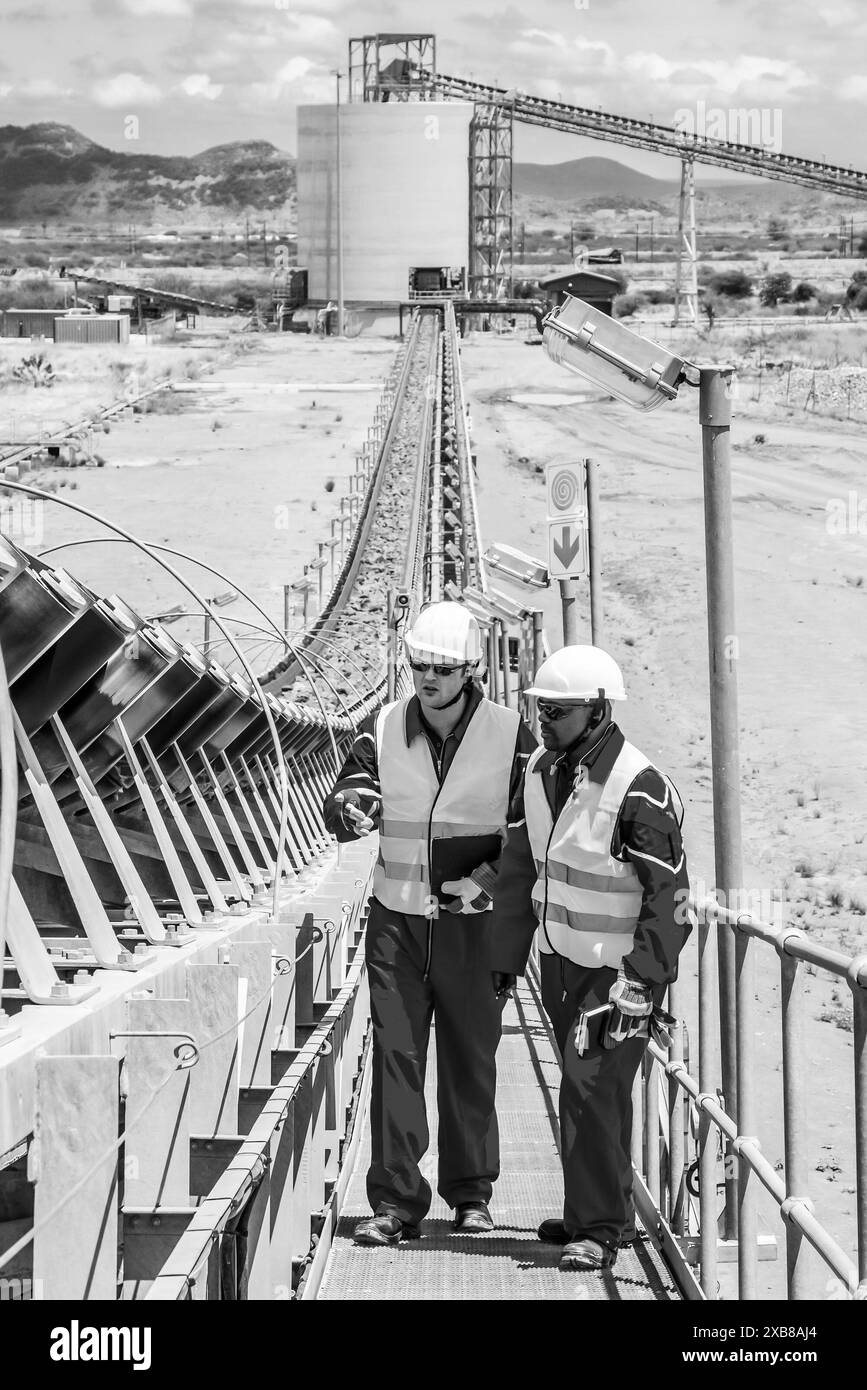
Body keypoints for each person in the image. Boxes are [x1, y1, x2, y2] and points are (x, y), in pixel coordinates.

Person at [323, 601, 536, 1246]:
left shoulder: (511, 735)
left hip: (473, 923)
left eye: (442, 668)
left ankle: (471, 1195)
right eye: (419, 665)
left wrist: (491, 880)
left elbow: (532, 830)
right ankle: (394, 1201)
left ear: (470, 669)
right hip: (398, 920)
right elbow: (347, 790)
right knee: (396, 1056)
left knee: (471, 1057)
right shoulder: (383, 725)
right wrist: (350, 810)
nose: (427, 678)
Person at [492, 645, 691, 1272]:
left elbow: (673, 899)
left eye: (558, 711)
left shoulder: (641, 789)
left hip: (617, 974)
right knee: (591, 1092)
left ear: (599, 711)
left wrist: (643, 982)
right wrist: (507, 955)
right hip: (560, 962)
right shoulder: (544, 772)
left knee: (587, 1088)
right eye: (539, 710)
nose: (544, 721)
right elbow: (525, 866)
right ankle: (596, 1208)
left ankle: (598, 1227)